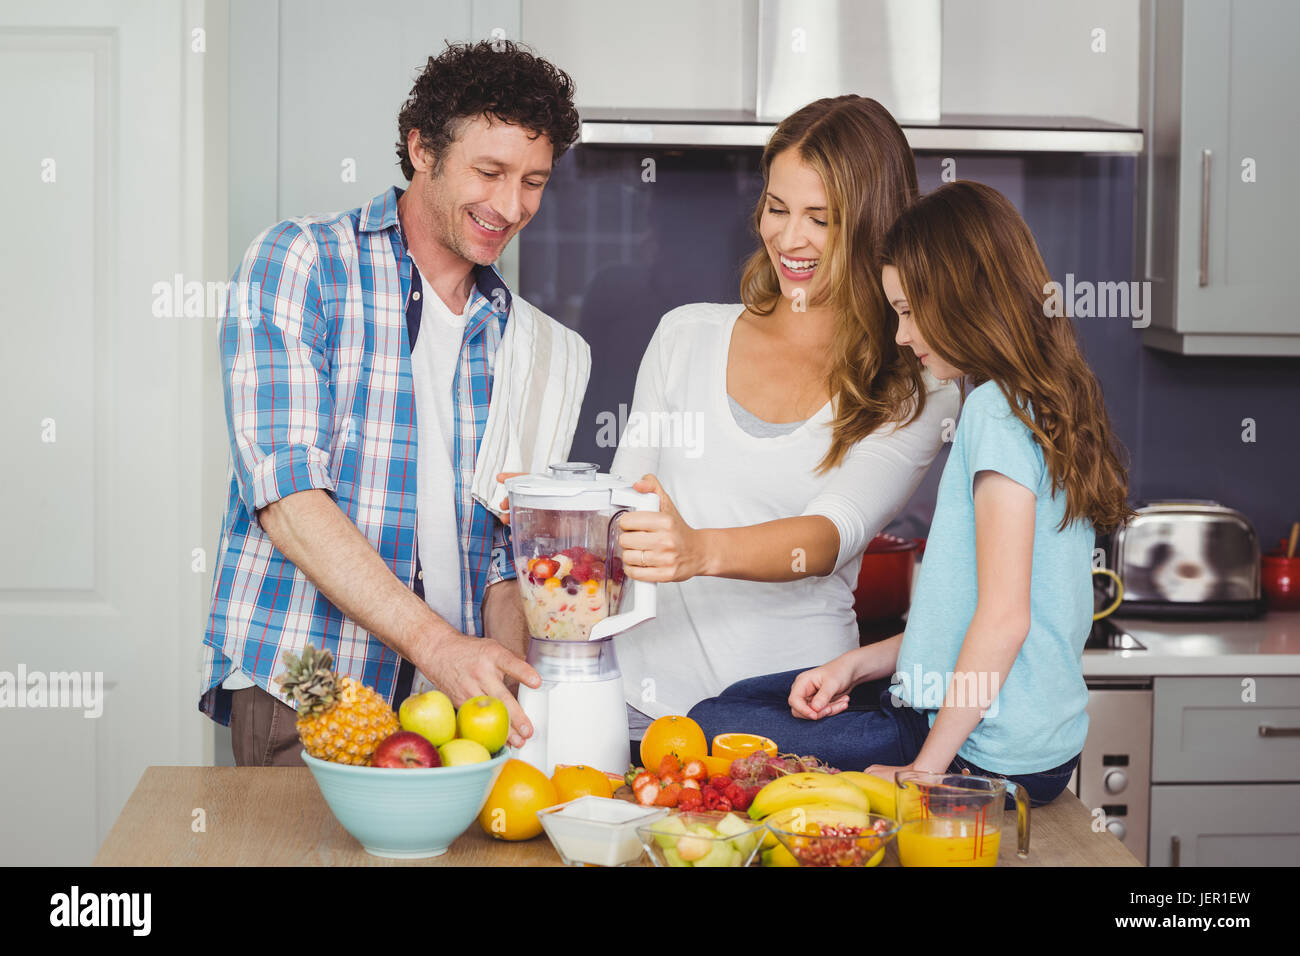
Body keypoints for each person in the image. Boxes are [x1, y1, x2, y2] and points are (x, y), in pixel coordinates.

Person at [200, 41, 586, 765]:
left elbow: (507, 553)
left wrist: (509, 702)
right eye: (491, 171)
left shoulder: (528, 341)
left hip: (460, 709)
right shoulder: (302, 262)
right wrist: (442, 647)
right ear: (422, 149)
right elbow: (288, 496)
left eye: (533, 181)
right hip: (313, 686)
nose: (512, 206)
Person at [690, 181, 1135, 807]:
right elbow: (976, 615)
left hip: (981, 754)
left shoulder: (994, 414)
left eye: (906, 310)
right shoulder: (1046, 406)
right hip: (1035, 752)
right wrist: (858, 665)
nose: (901, 335)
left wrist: (926, 773)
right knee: (739, 705)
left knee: (708, 727)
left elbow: (1004, 621)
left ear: (959, 301)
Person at [608, 96, 961, 746]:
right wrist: (550, 504)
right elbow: (624, 511)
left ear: (872, 226)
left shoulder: (916, 382)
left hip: (789, 718)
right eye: (777, 208)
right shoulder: (685, 336)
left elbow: (833, 533)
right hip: (641, 712)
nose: (789, 238)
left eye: (820, 218)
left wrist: (700, 550)